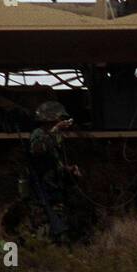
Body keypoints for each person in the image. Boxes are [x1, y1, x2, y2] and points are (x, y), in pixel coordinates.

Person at [27, 100, 81, 240]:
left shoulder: (54, 135)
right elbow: (37, 149)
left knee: (59, 218)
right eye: (58, 117)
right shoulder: (38, 133)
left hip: (54, 184)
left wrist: (68, 169)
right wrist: (55, 130)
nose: (60, 120)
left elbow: (54, 160)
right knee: (45, 219)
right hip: (43, 184)